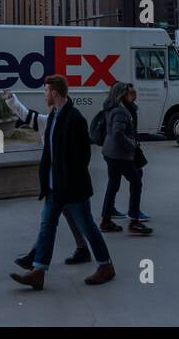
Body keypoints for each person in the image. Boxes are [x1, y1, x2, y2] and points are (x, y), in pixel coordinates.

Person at [9, 75, 115, 290]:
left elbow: (82, 156)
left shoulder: (74, 118)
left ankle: (106, 266)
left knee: (87, 227)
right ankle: (38, 271)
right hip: (53, 187)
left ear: (55, 93)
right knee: (47, 228)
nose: (44, 95)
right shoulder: (54, 116)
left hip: (71, 188)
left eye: (46, 91)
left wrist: (67, 181)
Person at [4, 88, 94, 268]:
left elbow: (27, 115)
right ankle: (81, 250)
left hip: (63, 182)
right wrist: (11, 99)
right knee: (64, 219)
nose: (50, 107)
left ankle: (36, 258)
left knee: (59, 222)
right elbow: (26, 114)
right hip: (59, 182)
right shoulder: (48, 122)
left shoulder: (61, 122)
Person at [98, 81, 152, 235]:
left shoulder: (112, 107)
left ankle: (106, 220)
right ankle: (134, 221)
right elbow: (117, 133)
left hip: (110, 153)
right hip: (119, 155)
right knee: (136, 182)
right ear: (122, 95)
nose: (132, 95)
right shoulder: (120, 112)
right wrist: (132, 145)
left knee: (113, 184)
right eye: (129, 92)